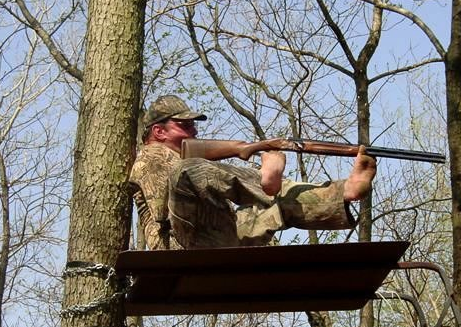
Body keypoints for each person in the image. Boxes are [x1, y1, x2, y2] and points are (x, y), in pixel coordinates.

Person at [130, 95, 376, 250]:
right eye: (184, 125)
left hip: (220, 235)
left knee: (281, 201)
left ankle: (345, 191)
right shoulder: (151, 157)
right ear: (159, 132)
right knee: (187, 171)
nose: (193, 131)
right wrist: (243, 158)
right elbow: (163, 215)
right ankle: (265, 181)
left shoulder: (186, 156)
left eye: (194, 125)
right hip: (178, 243)